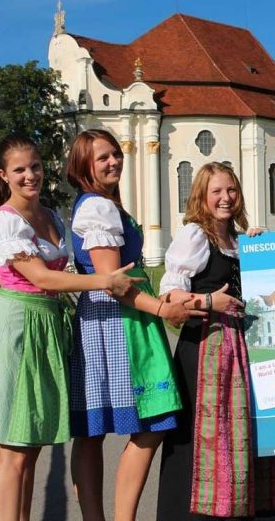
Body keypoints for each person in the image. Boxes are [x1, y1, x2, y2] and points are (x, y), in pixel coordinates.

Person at [0, 134, 136, 521]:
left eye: (35, 166)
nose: (29, 175)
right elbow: (41, 277)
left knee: (33, 441)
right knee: (13, 449)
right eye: (19, 169)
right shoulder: (4, 221)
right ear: (3, 175)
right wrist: (105, 281)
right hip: (19, 327)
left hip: (48, 326)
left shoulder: (51, 216)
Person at [66, 129, 202, 521]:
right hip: (116, 322)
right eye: (102, 158)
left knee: (111, 429)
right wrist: (161, 311)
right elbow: (114, 283)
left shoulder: (105, 205)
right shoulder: (97, 208)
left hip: (126, 318)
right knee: (133, 425)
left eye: (115, 154)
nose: (114, 162)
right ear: (83, 166)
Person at [156, 162, 275, 520]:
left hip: (242, 348)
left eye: (231, 190)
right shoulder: (195, 236)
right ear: (202, 195)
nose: (225, 198)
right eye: (216, 191)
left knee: (239, 433)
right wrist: (209, 301)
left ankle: (234, 508)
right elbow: (169, 298)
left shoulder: (240, 239)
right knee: (203, 438)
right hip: (205, 348)